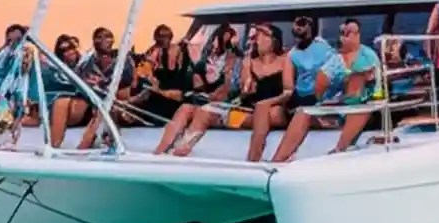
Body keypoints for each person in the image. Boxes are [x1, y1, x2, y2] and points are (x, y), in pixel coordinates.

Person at [162, 24, 290, 158]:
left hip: (274, 108)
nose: (257, 39)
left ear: (274, 41)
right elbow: (245, 91)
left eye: (263, 36)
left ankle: (255, 155)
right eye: (257, 36)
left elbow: (288, 90)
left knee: (273, 113)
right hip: (250, 111)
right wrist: (246, 83)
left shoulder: (285, 60)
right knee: (205, 111)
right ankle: (180, 149)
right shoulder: (249, 62)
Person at [269, 17, 380, 162]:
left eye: (348, 33)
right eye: (342, 32)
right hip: (338, 105)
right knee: (304, 112)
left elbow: (374, 84)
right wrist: (325, 98)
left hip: (364, 104)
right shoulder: (336, 58)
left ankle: (339, 151)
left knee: (359, 100)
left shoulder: (369, 55)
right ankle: (278, 159)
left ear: (358, 35)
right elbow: (321, 82)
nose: (344, 36)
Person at [247, 16, 333, 161]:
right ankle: (253, 159)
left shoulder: (325, 50)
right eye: (295, 25)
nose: (297, 28)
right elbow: (288, 90)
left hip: (319, 103)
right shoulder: (292, 55)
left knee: (294, 111)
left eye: (302, 24)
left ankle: (277, 159)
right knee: (262, 107)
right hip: (295, 101)